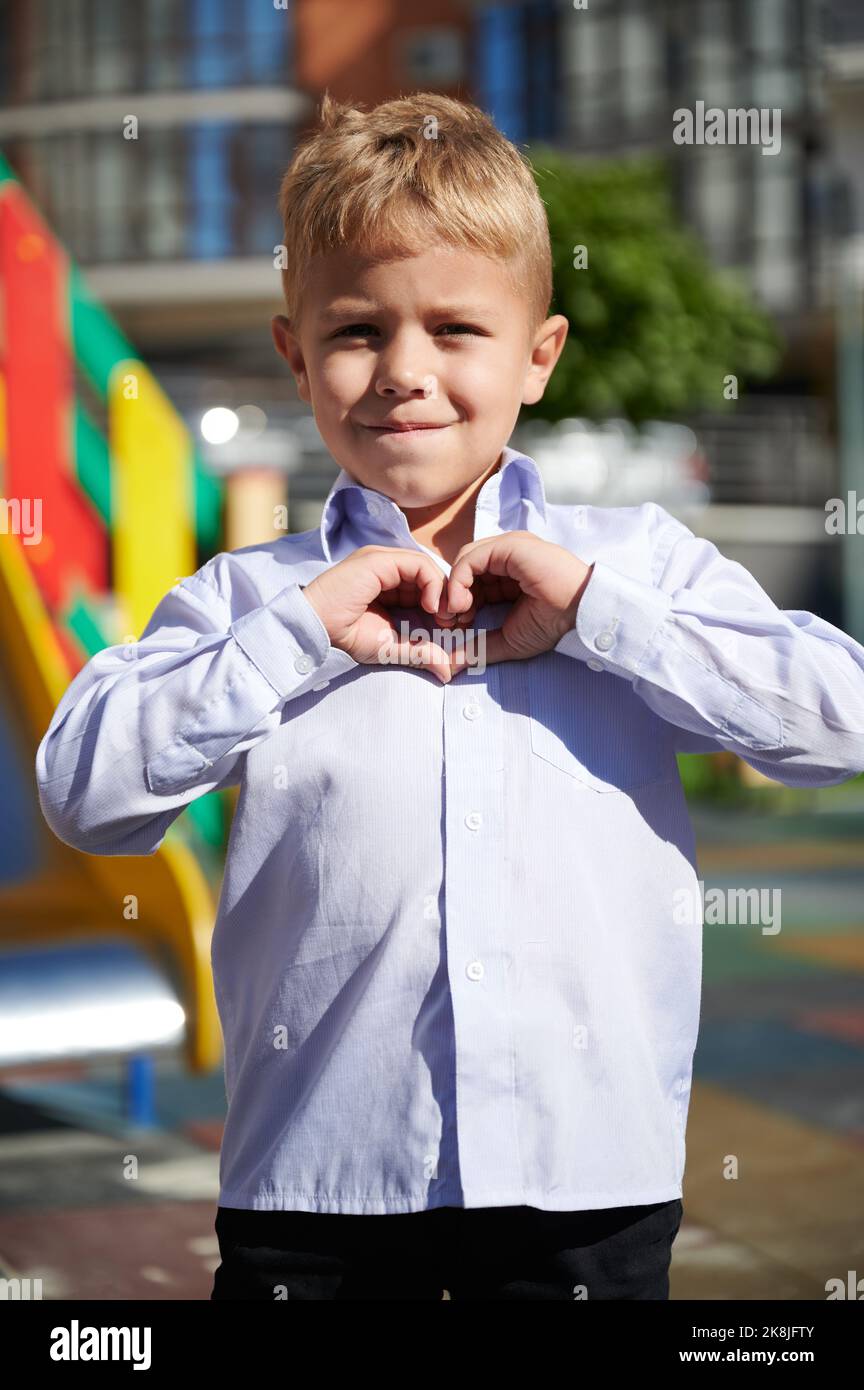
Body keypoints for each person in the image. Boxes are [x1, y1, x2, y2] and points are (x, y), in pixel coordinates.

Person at [35, 91, 864, 1301]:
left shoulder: (637, 563)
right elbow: (82, 793)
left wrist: (597, 616)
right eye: (358, 329)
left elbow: (834, 722)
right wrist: (299, 637)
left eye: (457, 328)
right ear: (296, 354)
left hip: (588, 1185)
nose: (405, 372)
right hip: (316, 1193)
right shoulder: (245, 598)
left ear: (539, 355)